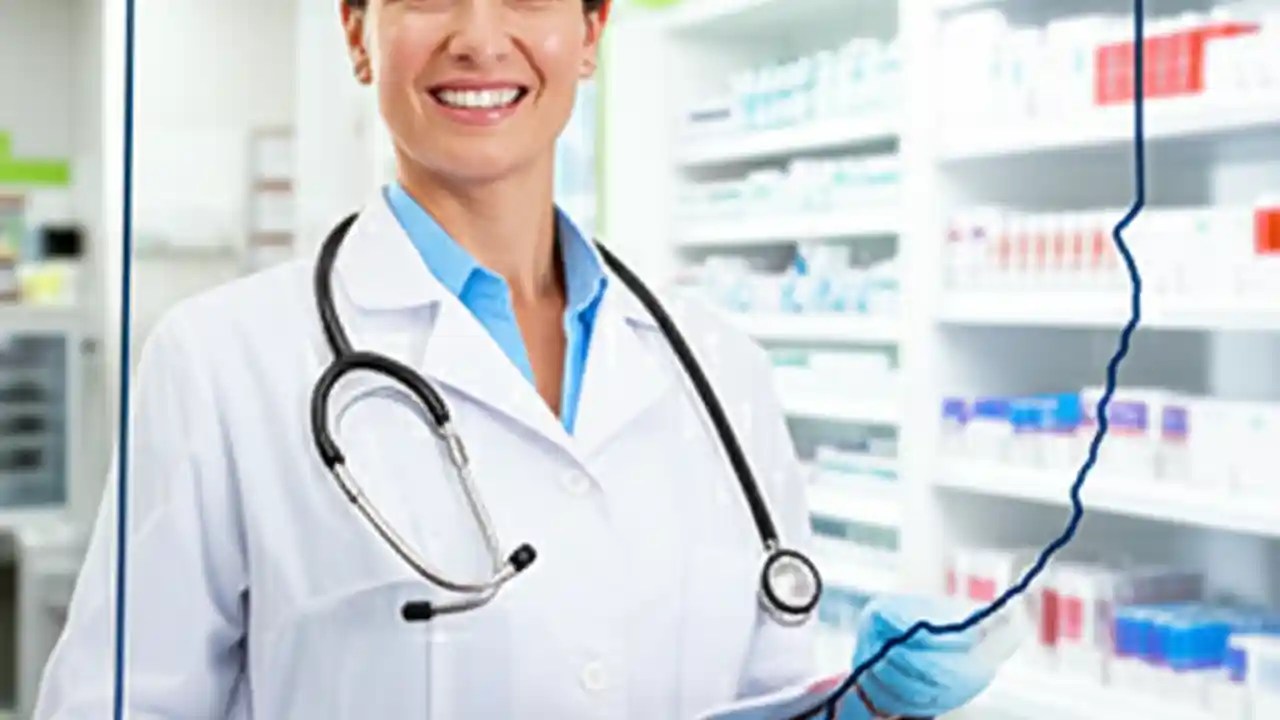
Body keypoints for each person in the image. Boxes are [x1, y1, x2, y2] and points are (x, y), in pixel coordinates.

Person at [34, 1, 1016, 717]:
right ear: (355, 33)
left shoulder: (720, 369)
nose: (477, 34)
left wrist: (855, 708)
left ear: (590, 34)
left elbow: (764, 687)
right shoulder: (220, 364)